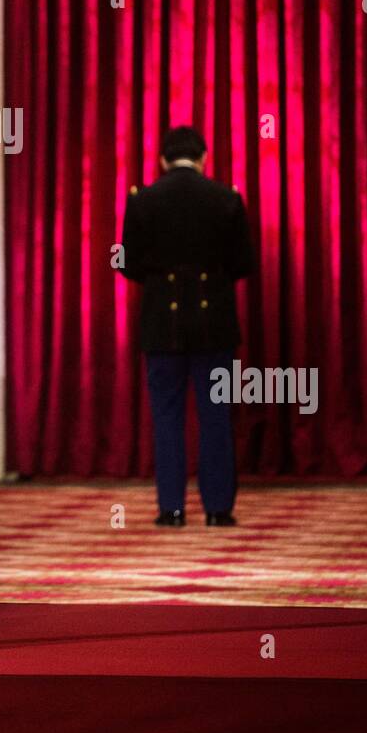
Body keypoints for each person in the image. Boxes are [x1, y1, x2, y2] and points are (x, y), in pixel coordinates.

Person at [120, 126, 254, 526]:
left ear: (163, 160)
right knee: (216, 416)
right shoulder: (227, 198)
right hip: (214, 322)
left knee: (167, 417)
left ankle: (172, 509)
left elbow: (127, 263)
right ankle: (216, 510)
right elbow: (244, 263)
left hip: (163, 322)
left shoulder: (142, 200)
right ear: (204, 157)